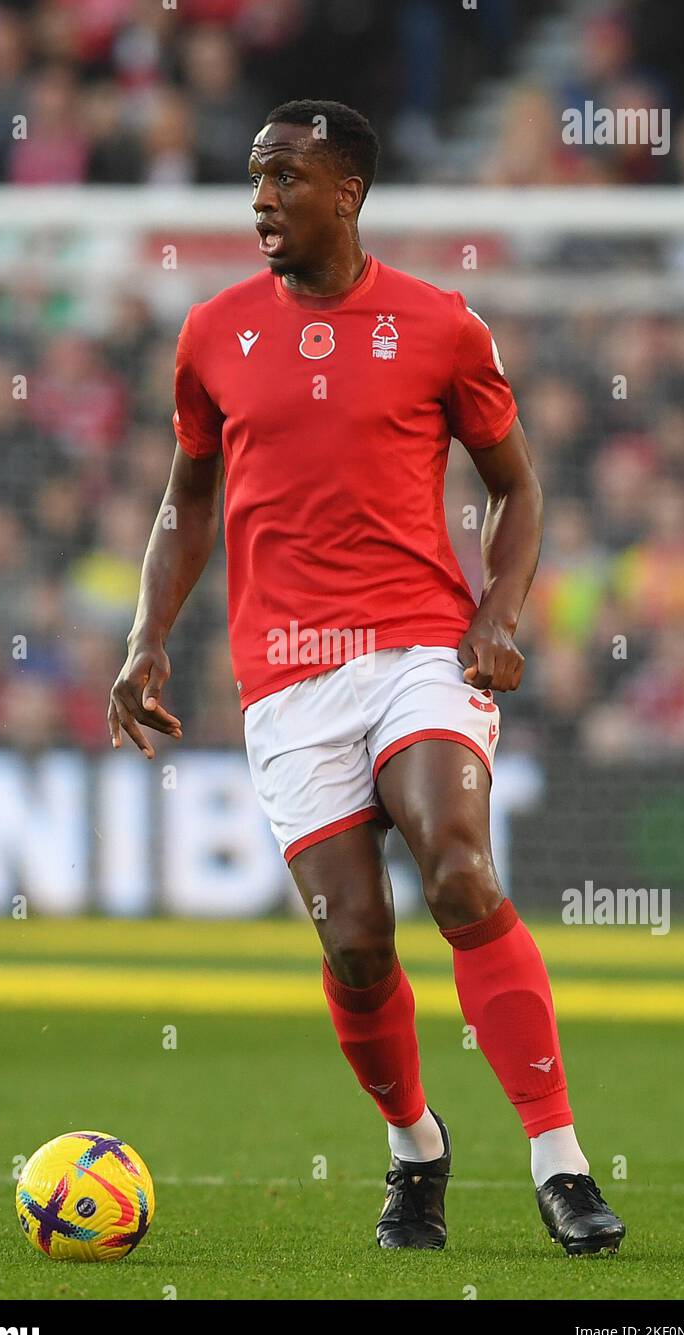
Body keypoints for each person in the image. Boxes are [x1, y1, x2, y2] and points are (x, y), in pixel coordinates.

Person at [108, 99, 625, 1257]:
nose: (259, 201)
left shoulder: (442, 326)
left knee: (457, 867)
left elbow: (518, 488)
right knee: (355, 941)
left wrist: (496, 612)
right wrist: (146, 635)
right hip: (284, 677)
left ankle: (558, 1158)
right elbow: (187, 500)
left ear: (344, 191)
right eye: (252, 180)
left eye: (282, 178)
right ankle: (414, 1148)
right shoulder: (210, 334)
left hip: (417, 651)